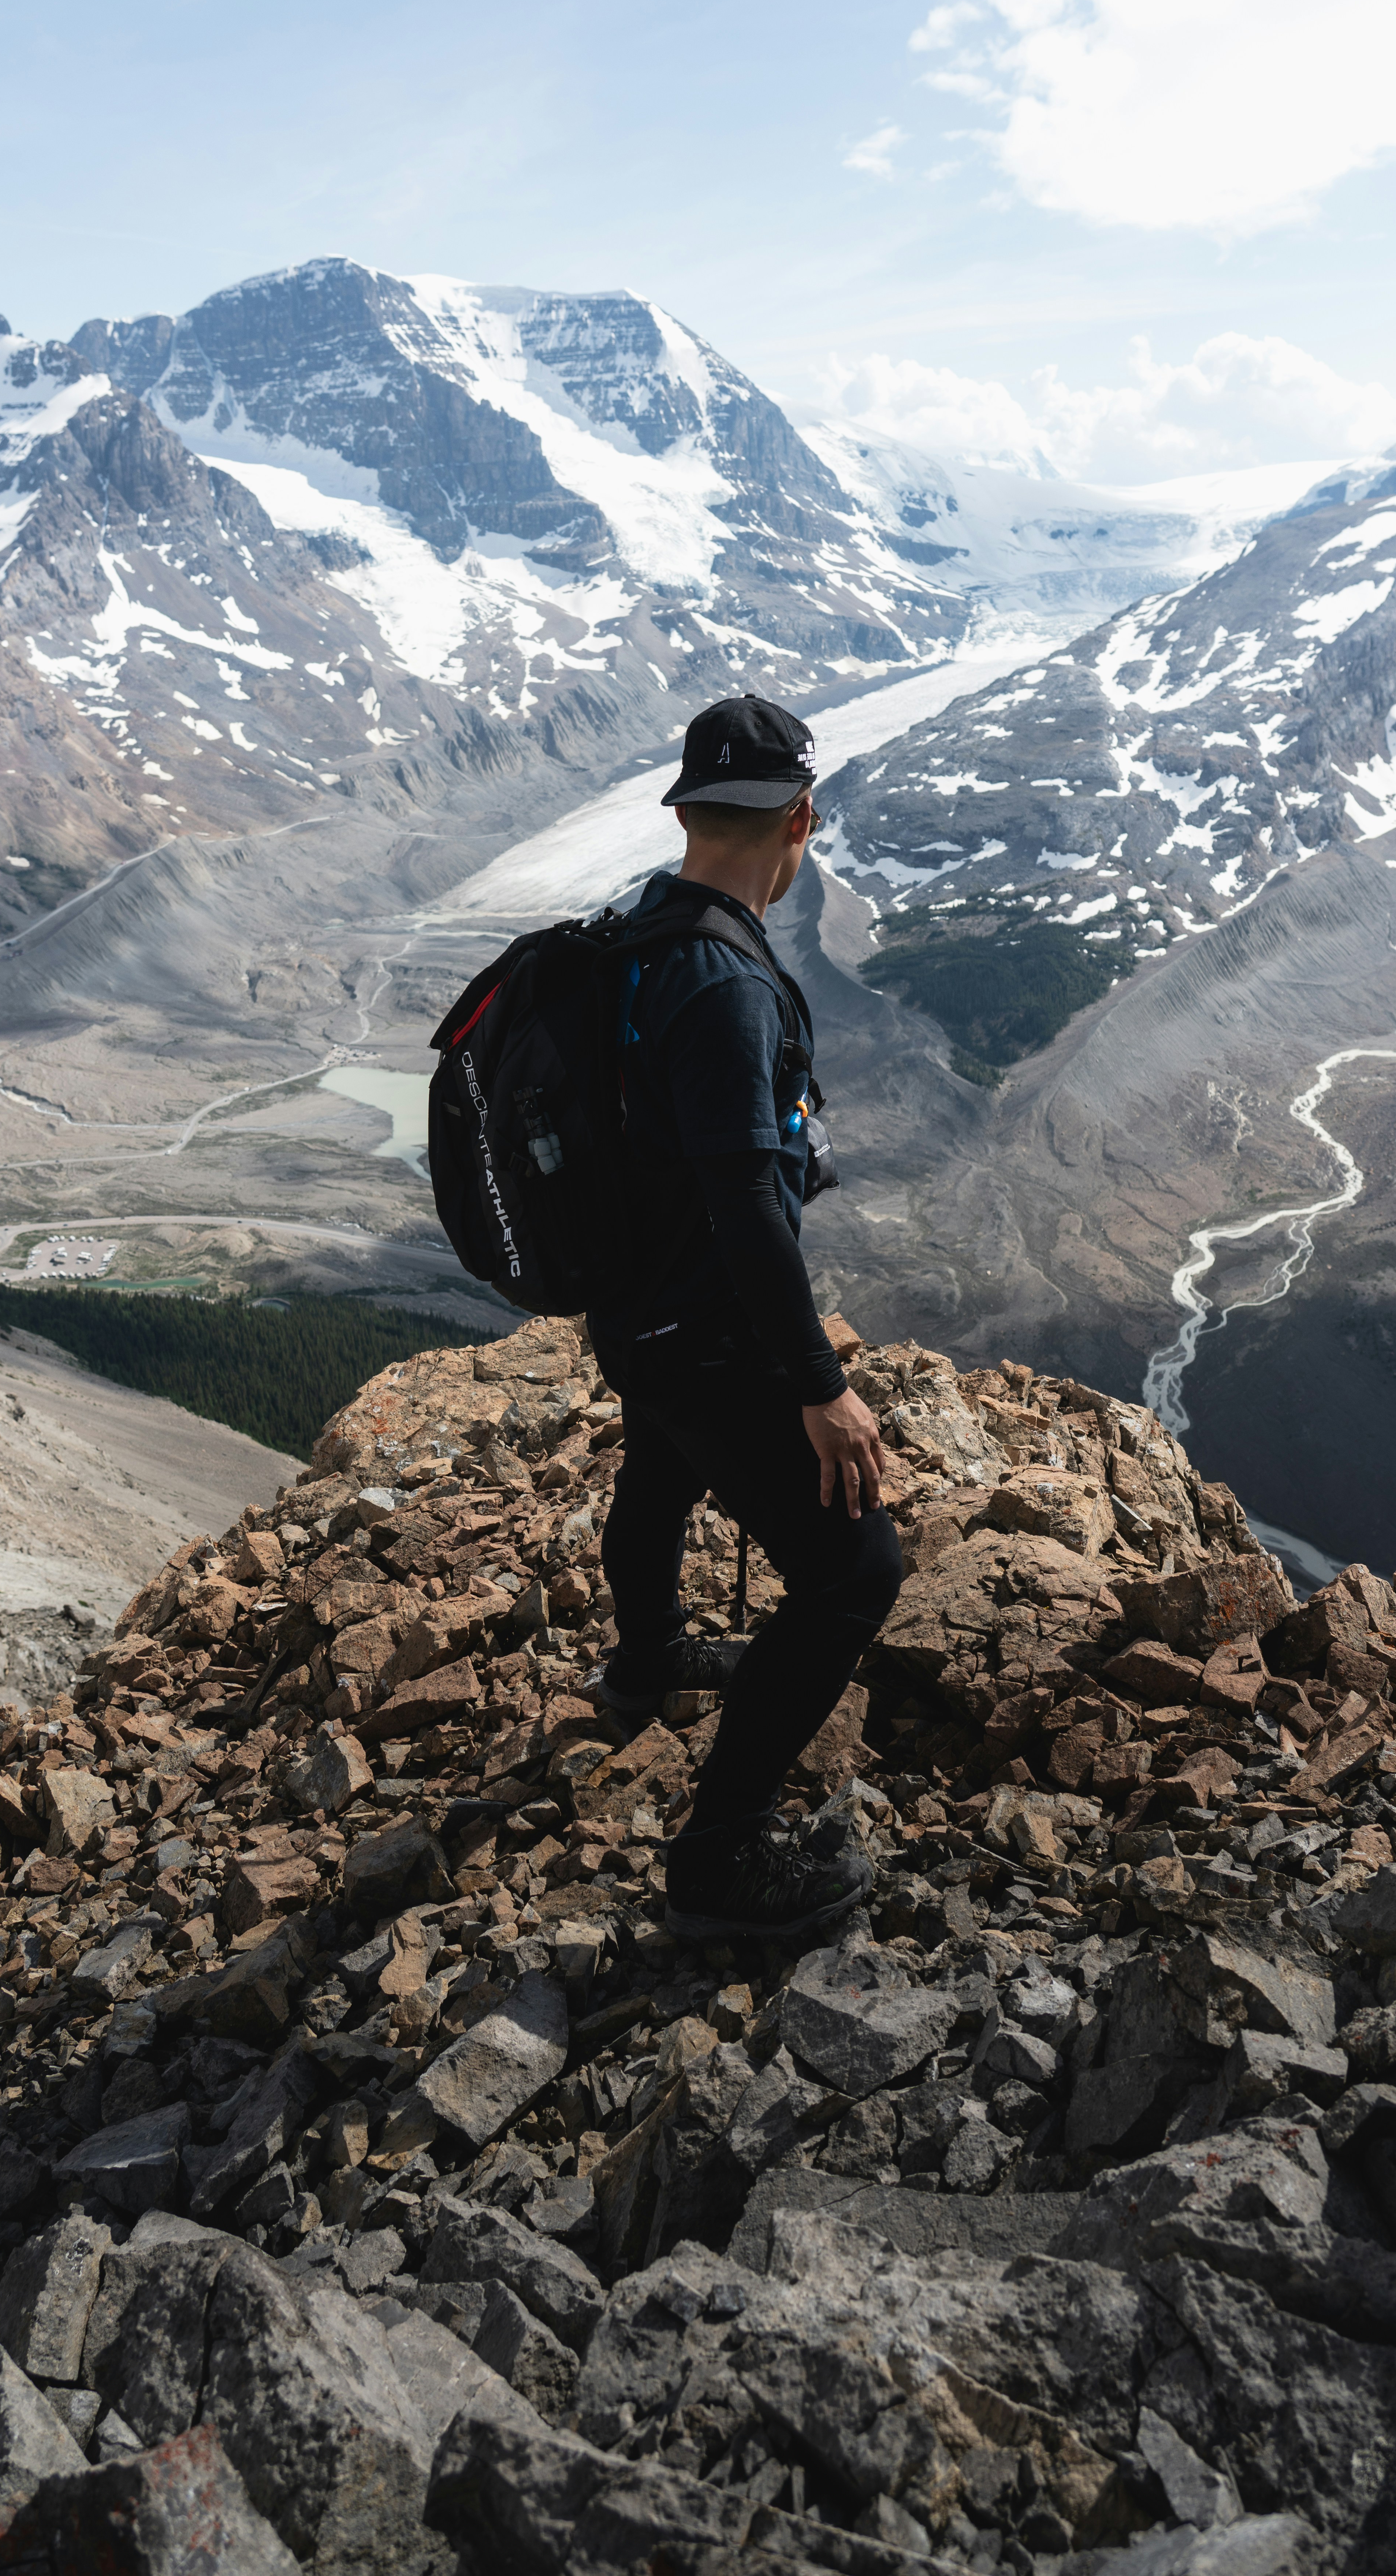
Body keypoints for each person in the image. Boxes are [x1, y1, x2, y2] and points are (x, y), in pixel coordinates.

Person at [586, 693, 904, 1943]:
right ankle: (719, 1859)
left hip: (635, 1314)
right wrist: (819, 1384)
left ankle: (650, 1652)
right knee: (852, 1571)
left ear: (686, 812)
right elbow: (746, 1210)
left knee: (662, 1467)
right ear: (801, 821)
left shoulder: (640, 931)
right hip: (706, 1327)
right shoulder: (726, 981)